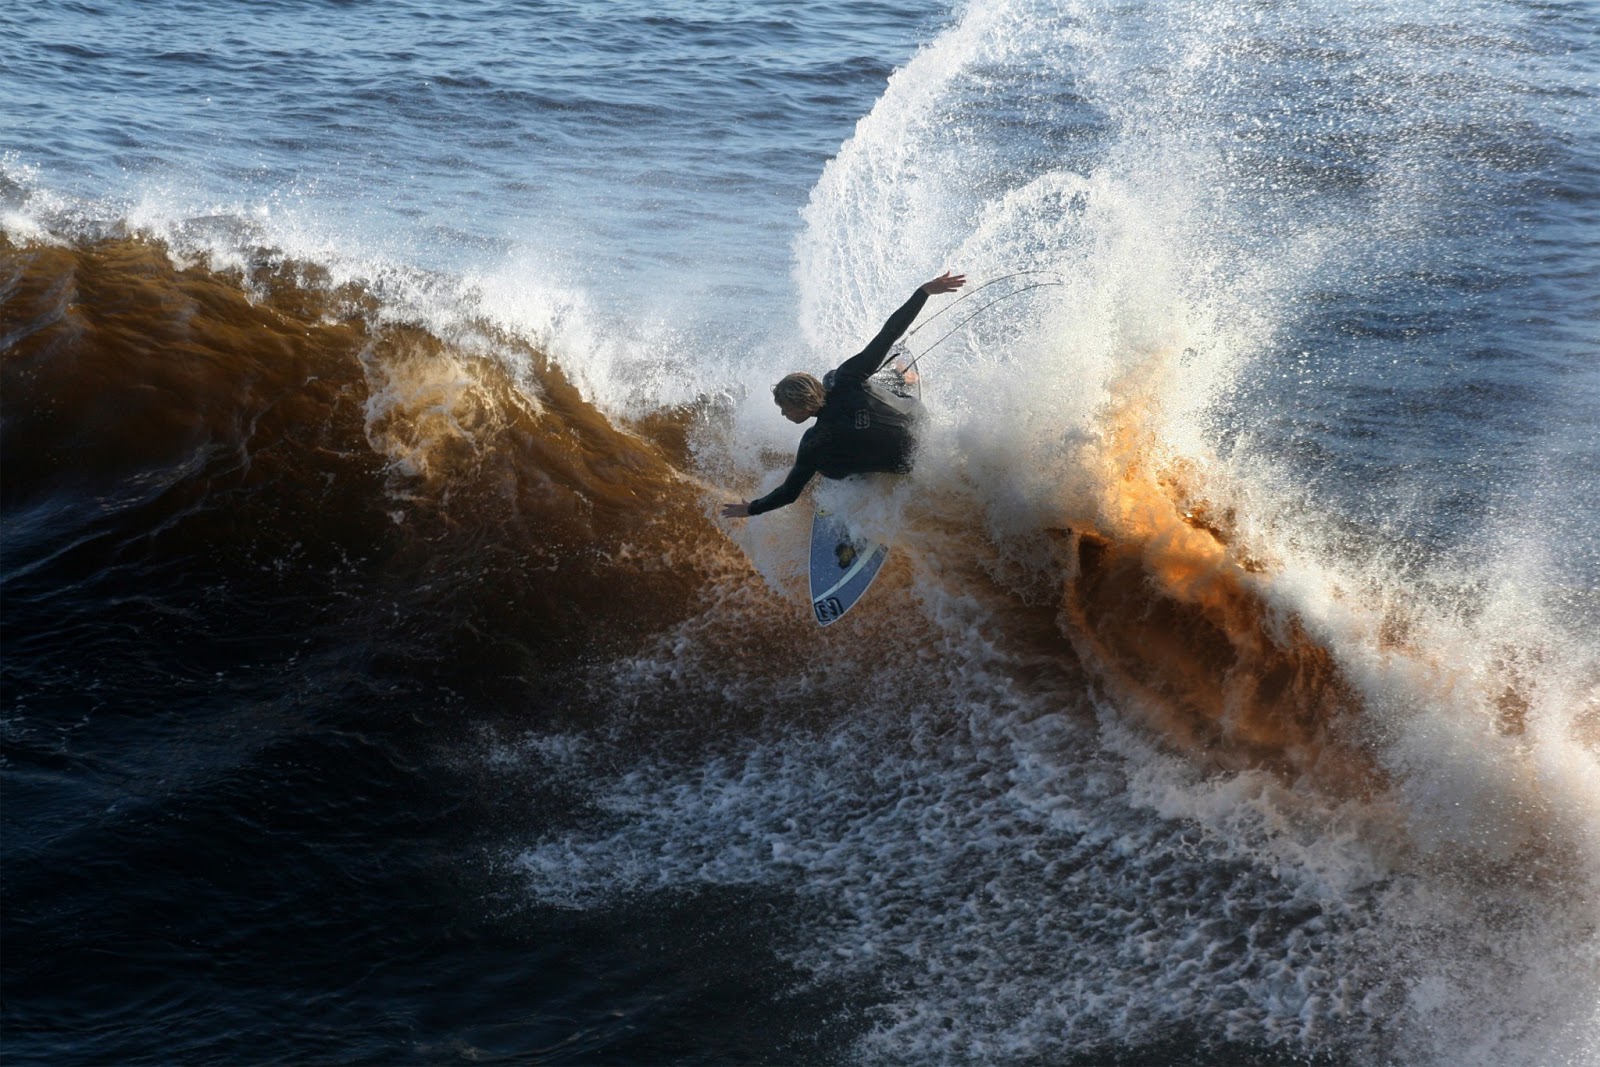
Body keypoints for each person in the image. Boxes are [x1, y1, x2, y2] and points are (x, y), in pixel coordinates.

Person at [721, 271, 967, 519]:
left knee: (829, 465)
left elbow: (789, 492)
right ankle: (901, 378)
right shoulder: (846, 378)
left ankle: (899, 381)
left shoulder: (813, 441)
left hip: (903, 463)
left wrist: (751, 508)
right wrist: (923, 292)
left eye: (786, 408)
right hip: (918, 427)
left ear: (803, 404)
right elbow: (888, 335)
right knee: (844, 379)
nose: (783, 413)